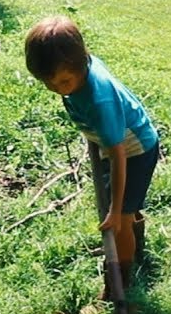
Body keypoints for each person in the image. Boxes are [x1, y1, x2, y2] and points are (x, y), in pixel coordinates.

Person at [24, 15, 160, 288]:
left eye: (63, 82)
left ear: (79, 63)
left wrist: (114, 209)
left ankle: (121, 281)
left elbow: (120, 156)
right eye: (48, 84)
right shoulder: (77, 70)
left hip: (135, 152)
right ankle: (135, 246)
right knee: (124, 212)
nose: (56, 90)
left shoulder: (100, 100)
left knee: (119, 219)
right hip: (115, 147)